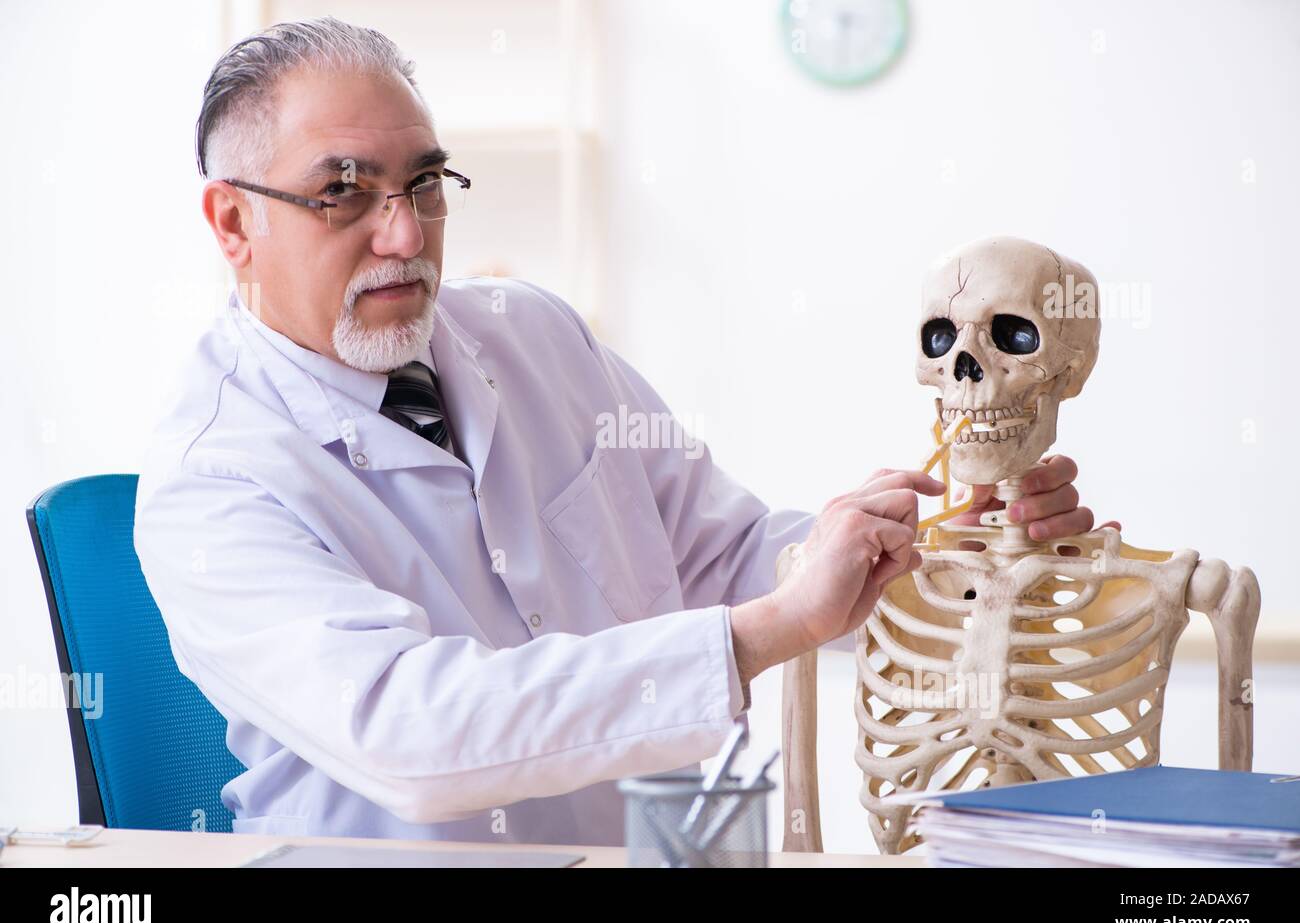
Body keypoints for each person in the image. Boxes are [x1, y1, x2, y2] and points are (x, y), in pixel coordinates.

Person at [135, 17, 1113, 844]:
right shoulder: (210, 478)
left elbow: (729, 550)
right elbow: (409, 734)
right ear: (232, 223)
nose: (403, 234)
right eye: (343, 191)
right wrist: (770, 629)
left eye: (425, 184)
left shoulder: (535, 335)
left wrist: (947, 552)